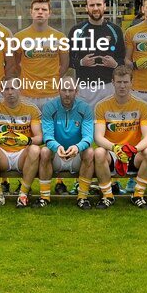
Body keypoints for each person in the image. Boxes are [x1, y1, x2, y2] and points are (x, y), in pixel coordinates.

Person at [92, 65, 147, 209]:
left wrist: (133, 150)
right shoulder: (101, 106)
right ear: (113, 82)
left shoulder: (143, 105)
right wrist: (115, 148)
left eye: (126, 82)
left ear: (131, 83)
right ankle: (107, 196)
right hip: (113, 152)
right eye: (119, 82)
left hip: (133, 152)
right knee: (98, 152)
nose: (122, 86)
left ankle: (138, 195)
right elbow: (98, 137)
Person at [0, 78, 43, 209]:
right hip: (2, 154)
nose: (10, 92)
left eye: (13, 88)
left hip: (22, 155)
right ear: (1, 91)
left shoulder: (31, 109)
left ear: (20, 90)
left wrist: (28, 140)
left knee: (35, 149)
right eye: (6, 89)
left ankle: (23, 195)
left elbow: (39, 137)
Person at [39, 75, 95, 209]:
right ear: (59, 90)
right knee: (45, 151)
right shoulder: (49, 107)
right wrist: (57, 146)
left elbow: (88, 137)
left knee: (90, 152)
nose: (67, 94)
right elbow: (47, 136)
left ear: (77, 91)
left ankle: (82, 197)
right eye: (64, 90)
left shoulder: (85, 108)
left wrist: (77, 147)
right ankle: (44, 198)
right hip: (56, 155)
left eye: (71, 90)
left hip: (76, 155)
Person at [67, 0, 125, 106]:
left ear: (104, 6)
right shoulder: (77, 30)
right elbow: (67, 60)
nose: (95, 8)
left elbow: (122, 59)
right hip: (84, 87)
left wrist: (114, 64)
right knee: (86, 123)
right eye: (92, 5)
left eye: (98, 4)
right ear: (86, 8)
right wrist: (81, 62)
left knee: (105, 123)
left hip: (108, 86)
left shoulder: (115, 30)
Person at [12, 0, 69, 110]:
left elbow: (64, 65)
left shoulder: (60, 37)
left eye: (44, 9)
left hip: (52, 94)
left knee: (50, 127)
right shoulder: (19, 37)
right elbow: (15, 64)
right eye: (37, 9)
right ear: (31, 12)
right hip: (27, 94)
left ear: (49, 13)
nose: (40, 12)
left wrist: (52, 79)